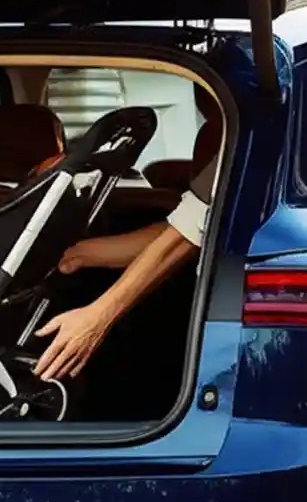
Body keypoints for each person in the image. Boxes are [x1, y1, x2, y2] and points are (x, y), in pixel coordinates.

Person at [33, 155, 216, 382]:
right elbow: (180, 229)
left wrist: (97, 318)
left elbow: (183, 238)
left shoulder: (234, 160)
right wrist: (79, 254)